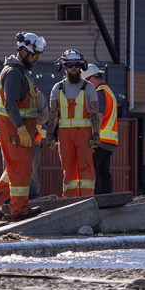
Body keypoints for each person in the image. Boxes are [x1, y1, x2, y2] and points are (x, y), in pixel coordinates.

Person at [0, 32, 46, 221]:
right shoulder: (14, 73)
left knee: (15, 170)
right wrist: (21, 128)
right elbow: (10, 104)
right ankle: (19, 210)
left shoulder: (19, 72)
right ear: (23, 52)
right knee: (20, 171)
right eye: (35, 56)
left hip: (19, 130)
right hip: (16, 131)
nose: (36, 60)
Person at [50, 49, 99, 198]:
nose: (73, 69)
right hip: (64, 136)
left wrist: (96, 134)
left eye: (76, 65)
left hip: (84, 135)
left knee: (86, 167)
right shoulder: (57, 88)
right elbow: (53, 114)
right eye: (70, 65)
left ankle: (86, 199)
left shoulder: (89, 87)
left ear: (81, 66)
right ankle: (69, 200)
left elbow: (94, 113)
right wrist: (50, 135)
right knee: (68, 169)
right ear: (64, 67)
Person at [84, 63, 118, 195]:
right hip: (109, 142)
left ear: (91, 79)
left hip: (100, 140)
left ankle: (99, 199)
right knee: (104, 172)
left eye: (86, 81)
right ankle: (107, 198)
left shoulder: (99, 92)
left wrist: (94, 136)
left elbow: (98, 115)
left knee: (94, 171)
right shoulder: (109, 91)